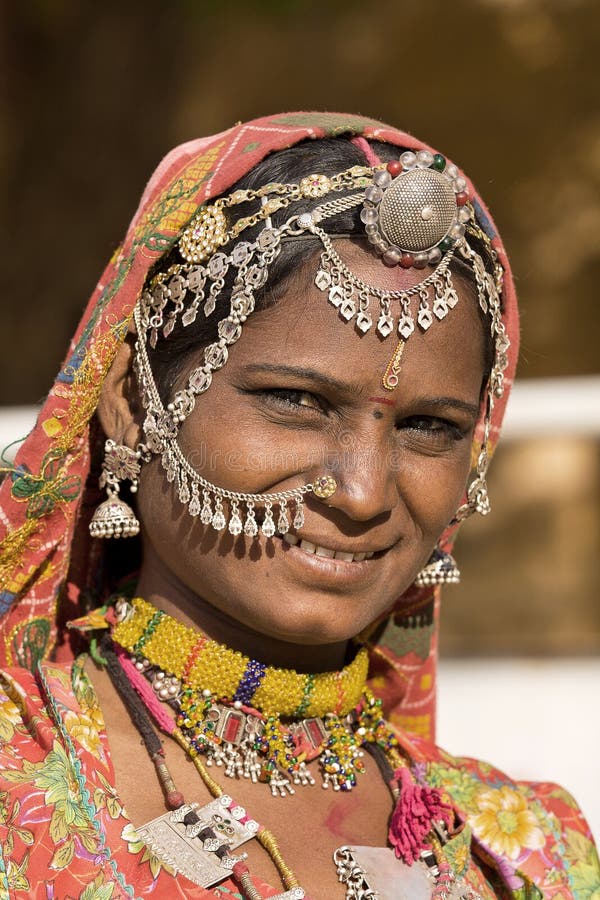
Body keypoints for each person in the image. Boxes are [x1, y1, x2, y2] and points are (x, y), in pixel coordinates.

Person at [0, 112, 596, 900]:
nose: (363, 494)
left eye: (428, 427)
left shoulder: (524, 852)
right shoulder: (20, 790)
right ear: (135, 403)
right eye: (295, 401)